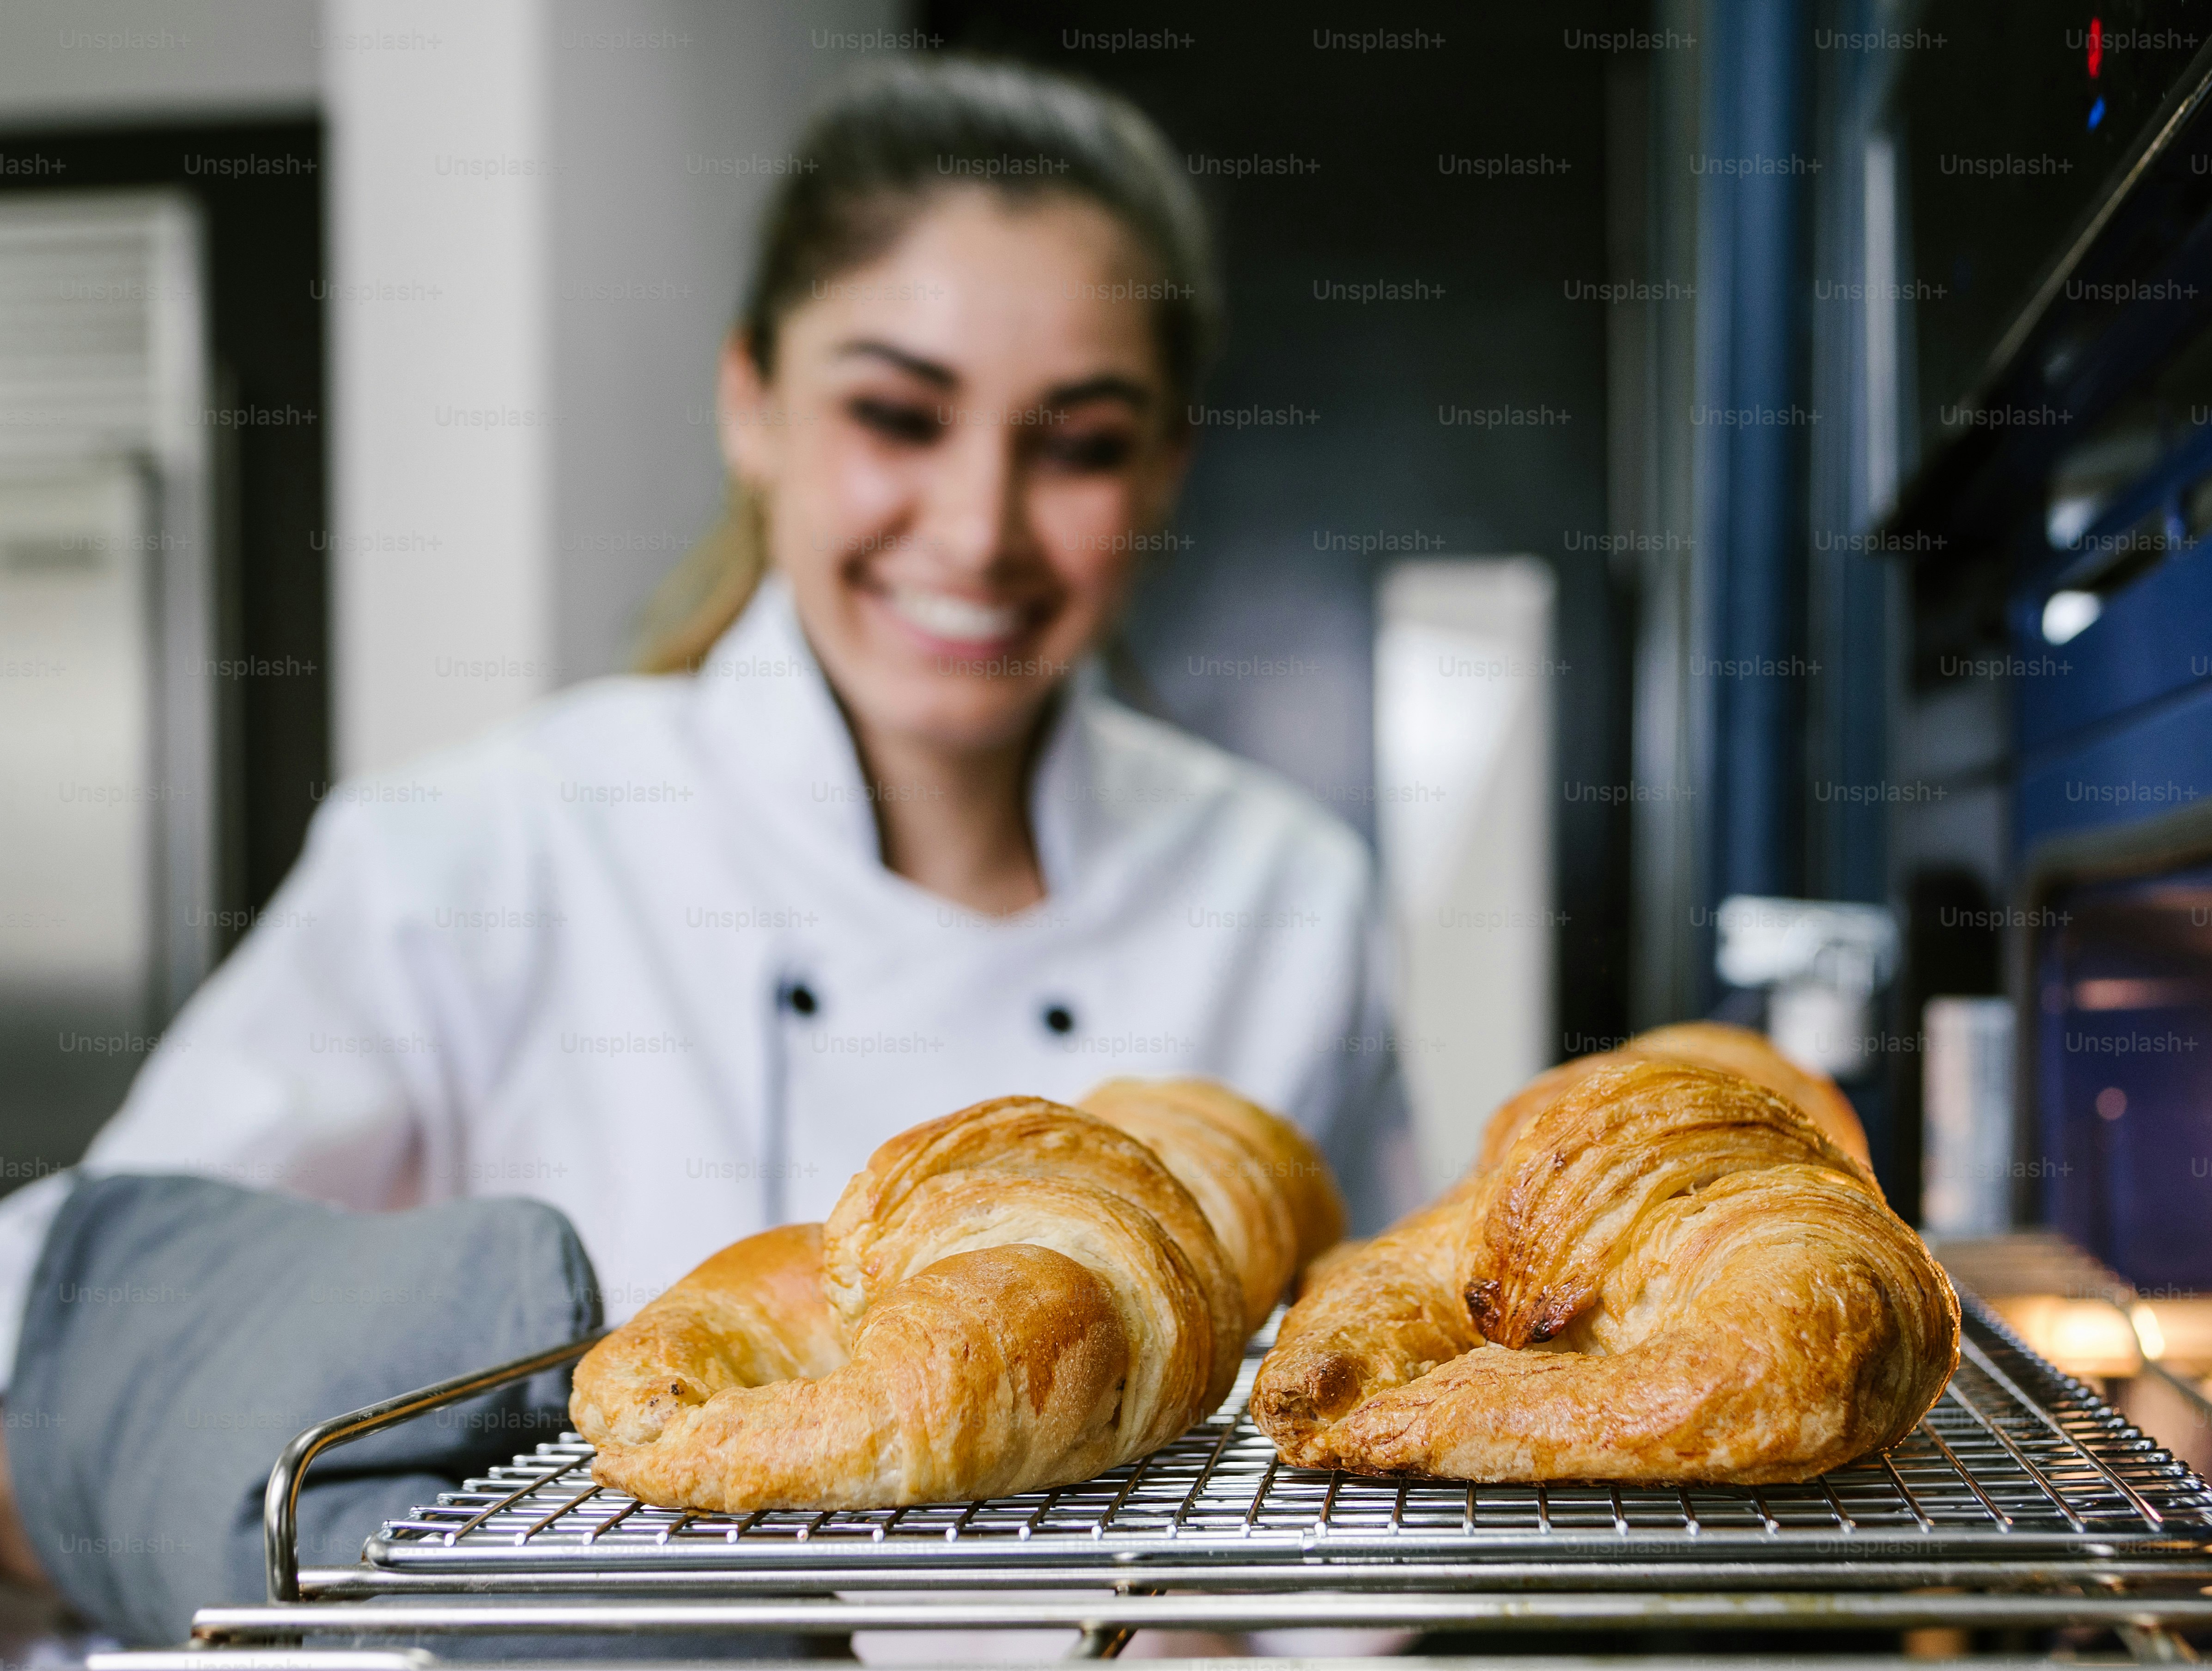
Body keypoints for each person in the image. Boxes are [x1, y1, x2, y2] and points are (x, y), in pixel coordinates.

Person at [0, 56, 1412, 1644]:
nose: (976, 528)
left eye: (1077, 443)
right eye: (896, 413)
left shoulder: (1286, 890)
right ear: (752, 401)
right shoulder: (486, 848)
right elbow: (81, 1358)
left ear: (1163, 467)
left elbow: (1361, 1425)